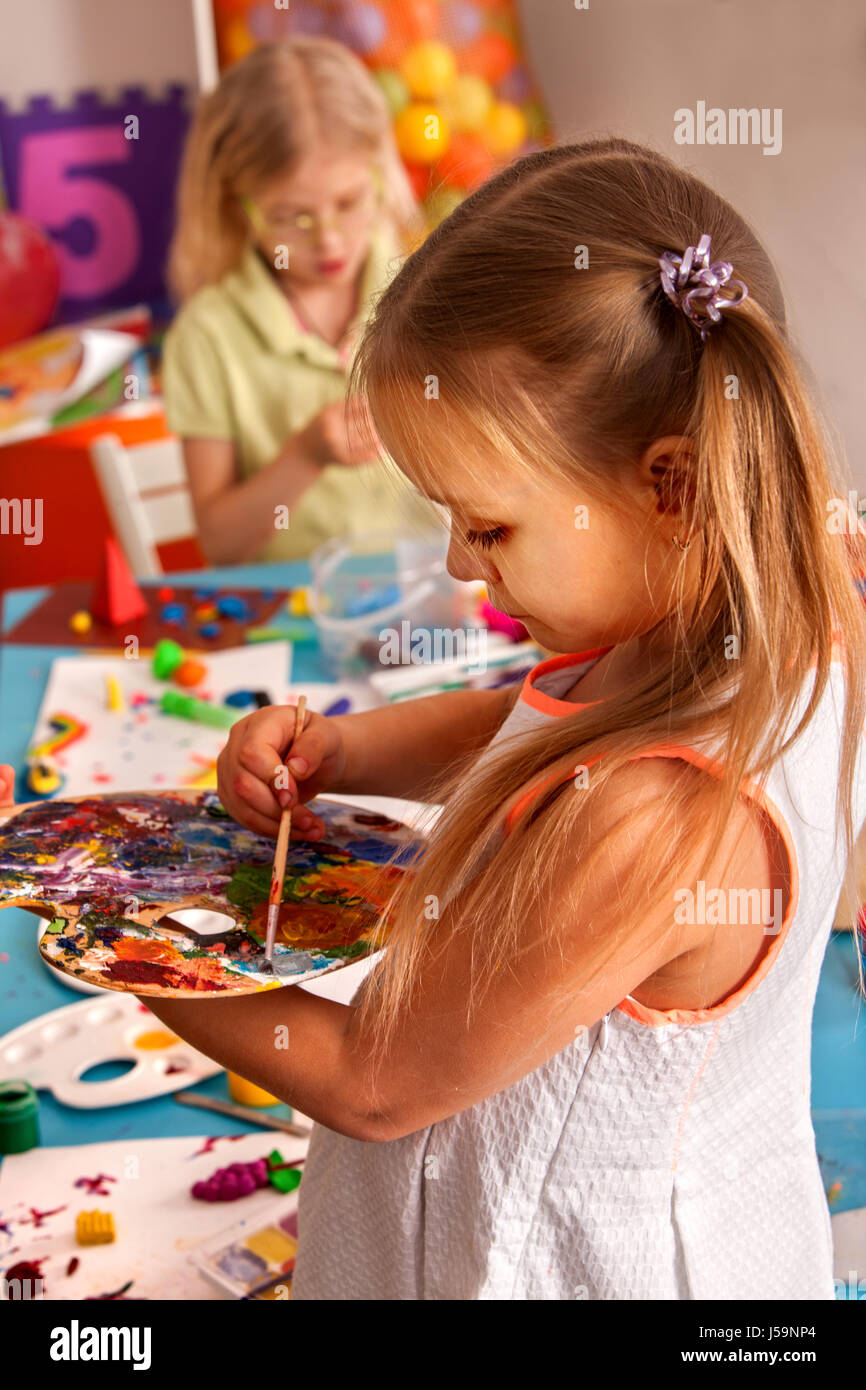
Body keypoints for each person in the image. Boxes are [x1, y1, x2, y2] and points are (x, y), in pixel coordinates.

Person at [142, 139, 866, 1300]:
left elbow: (374, 1082)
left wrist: (134, 950)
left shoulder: (657, 819)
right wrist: (353, 750)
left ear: (668, 485)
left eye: (486, 527)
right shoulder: (755, 601)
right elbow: (533, 724)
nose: (456, 565)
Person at [163, 37, 431, 564]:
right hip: (293, 613)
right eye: (292, 218)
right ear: (236, 206)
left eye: (350, 202)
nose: (329, 242)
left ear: (381, 173)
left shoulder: (426, 286)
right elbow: (221, 544)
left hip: (431, 595)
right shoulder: (208, 335)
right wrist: (305, 456)